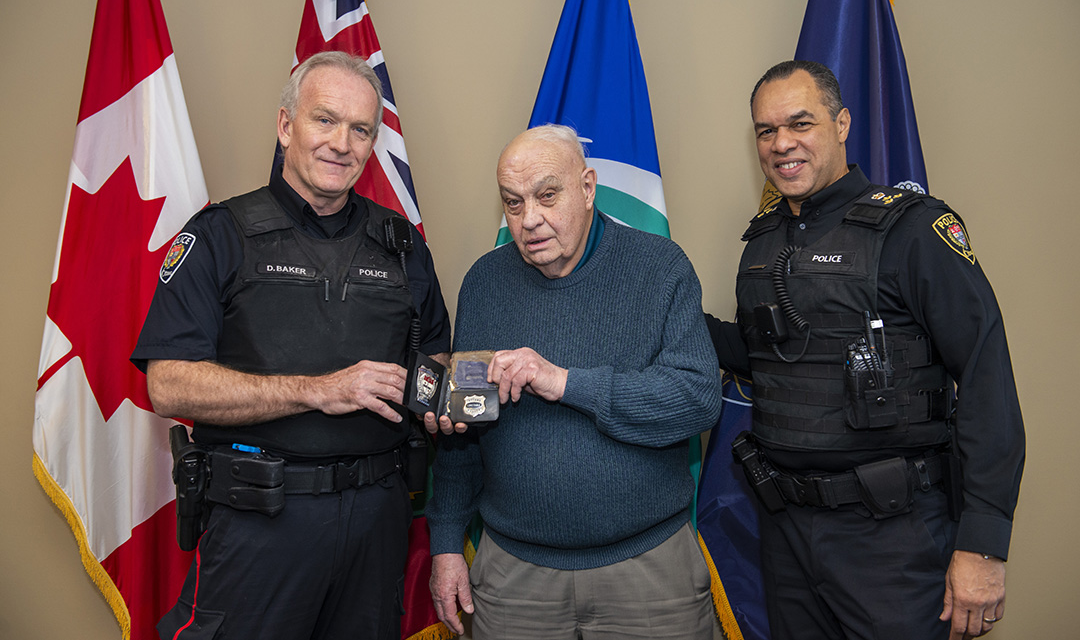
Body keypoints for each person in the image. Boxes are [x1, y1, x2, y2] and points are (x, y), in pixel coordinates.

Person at [131, 51, 451, 640]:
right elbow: (167, 382)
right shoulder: (218, 237)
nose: (342, 144)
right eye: (325, 120)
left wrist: (464, 393)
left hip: (375, 523)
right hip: (260, 521)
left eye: (361, 130)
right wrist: (316, 391)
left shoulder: (403, 246)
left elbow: (435, 364)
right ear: (286, 126)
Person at [707, 60, 1024, 640]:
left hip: (891, 539)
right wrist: (659, 308)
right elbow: (765, 363)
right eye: (765, 131)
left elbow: (985, 375)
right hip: (785, 532)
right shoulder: (763, 241)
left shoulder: (913, 230)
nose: (782, 144)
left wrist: (983, 543)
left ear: (842, 122)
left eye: (800, 124)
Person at [423, 124, 723, 640]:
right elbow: (464, 428)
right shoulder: (483, 282)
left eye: (547, 195)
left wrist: (564, 382)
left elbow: (696, 400)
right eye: (513, 204)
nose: (530, 220)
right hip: (514, 577)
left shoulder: (659, 267)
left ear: (587, 187)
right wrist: (447, 541)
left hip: (649, 570)